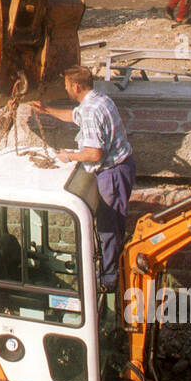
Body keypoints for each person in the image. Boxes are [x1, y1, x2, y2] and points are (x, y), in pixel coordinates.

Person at [29, 65, 135, 291]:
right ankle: (110, 269)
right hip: (120, 168)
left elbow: (94, 153)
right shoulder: (99, 99)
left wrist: (69, 156)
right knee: (111, 225)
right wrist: (46, 110)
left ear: (76, 86)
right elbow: (74, 116)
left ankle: (108, 280)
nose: (65, 89)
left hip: (113, 173)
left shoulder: (91, 110)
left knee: (109, 228)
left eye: (67, 85)